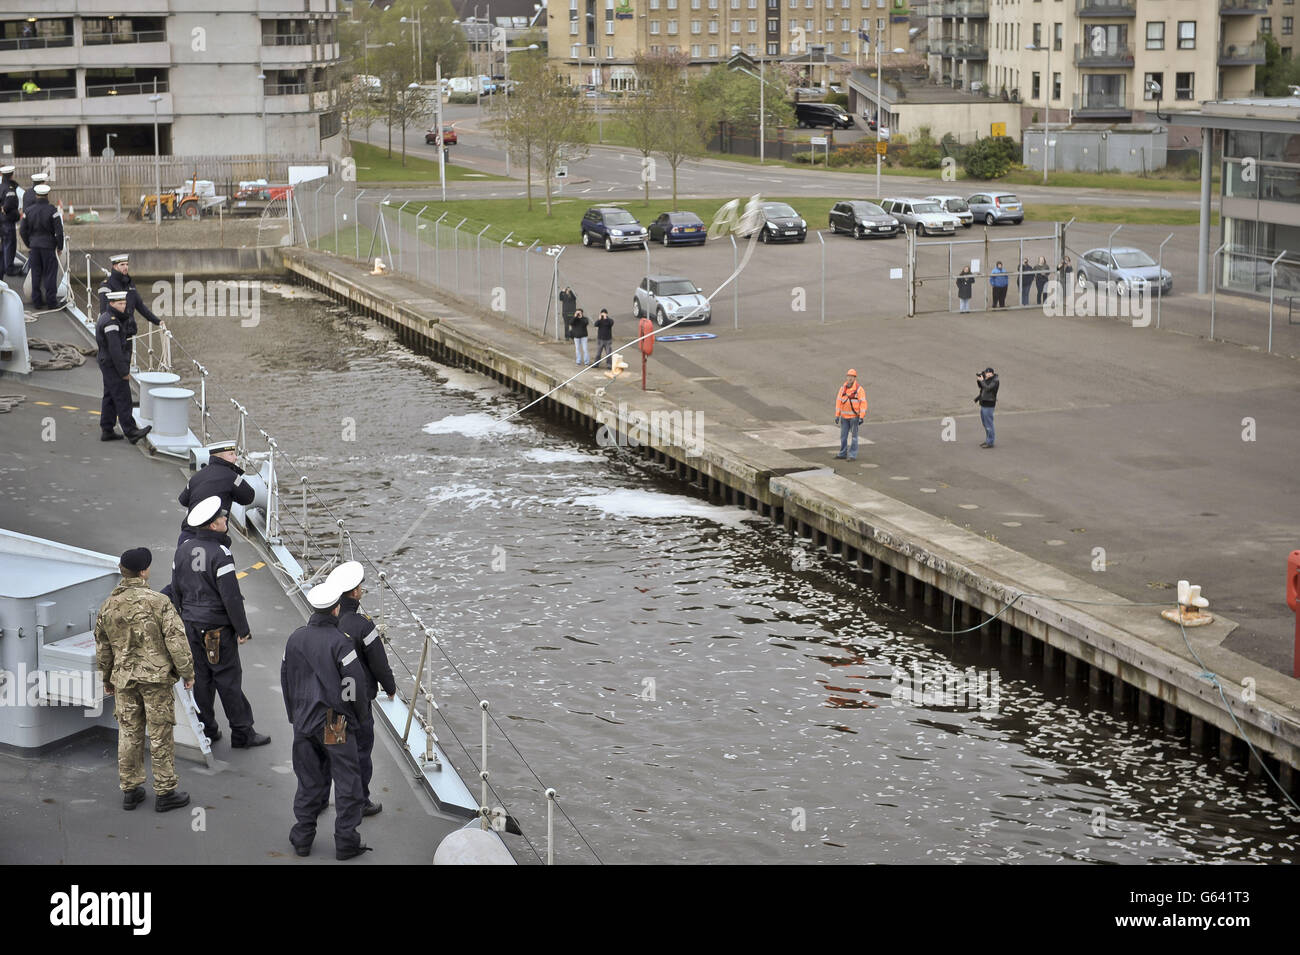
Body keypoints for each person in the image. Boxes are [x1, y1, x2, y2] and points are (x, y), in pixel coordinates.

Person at [95, 547, 196, 813]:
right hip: (156, 680)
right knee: (160, 734)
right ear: (143, 571)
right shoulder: (159, 602)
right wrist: (187, 673)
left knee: (129, 733)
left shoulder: (108, 606)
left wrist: (107, 678)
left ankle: (130, 789)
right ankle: (165, 792)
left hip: (124, 680)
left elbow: (103, 649)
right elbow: (176, 642)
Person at [282, 579, 372, 860]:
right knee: (347, 783)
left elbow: (286, 679)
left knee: (308, 780)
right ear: (335, 609)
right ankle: (346, 842)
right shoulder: (341, 644)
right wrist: (359, 718)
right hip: (334, 723)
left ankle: (302, 837)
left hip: (303, 721)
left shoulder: (295, 638)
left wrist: (293, 714)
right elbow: (354, 686)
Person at [171, 495, 270, 749]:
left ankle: (208, 728)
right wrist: (242, 629)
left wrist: (184, 617)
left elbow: (176, 588)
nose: (226, 519)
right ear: (213, 525)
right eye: (222, 517)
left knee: (201, 678)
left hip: (191, 623)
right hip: (216, 629)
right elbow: (231, 597)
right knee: (228, 679)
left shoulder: (182, 550)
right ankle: (242, 732)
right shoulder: (221, 554)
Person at [326, 560, 395, 818]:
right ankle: (360, 801)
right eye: (360, 587)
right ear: (355, 593)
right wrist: (389, 687)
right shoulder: (363, 625)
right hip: (358, 700)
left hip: (331, 701)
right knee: (361, 751)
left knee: (333, 746)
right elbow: (378, 661)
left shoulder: (325, 622)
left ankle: (324, 797)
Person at [96, 291, 152, 444]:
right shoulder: (111, 323)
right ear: (112, 304)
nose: (123, 306)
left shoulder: (108, 317)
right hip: (113, 365)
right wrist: (124, 372)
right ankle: (131, 431)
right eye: (120, 304)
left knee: (109, 396)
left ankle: (107, 430)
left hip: (106, 362)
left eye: (124, 303)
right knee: (123, 397)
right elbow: (115, 350)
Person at [176, 439, 256, 544]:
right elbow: (249, 496)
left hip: (188, 534)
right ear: (219, 457)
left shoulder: (197, 476)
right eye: (231, 454)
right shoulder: (231, 476)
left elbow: (183, 500)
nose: (236, 457)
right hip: (212, 536)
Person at [98, 253, 164, 341]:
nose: (125, 267)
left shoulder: (130, 284)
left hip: (129, 332)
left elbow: (141, 306)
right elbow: (104, 311)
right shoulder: (106, 285)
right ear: (114, 266)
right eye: (122, 265)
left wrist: (158, 321)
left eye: (127, 264)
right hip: (114, 332)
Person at [18, 182, 62, 310]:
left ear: (36, 195)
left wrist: (29, 244)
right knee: (50, 274)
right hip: (48, 247)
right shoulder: (53, 211)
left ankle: (37, 302)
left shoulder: (28, 211)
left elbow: (22, 231)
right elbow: (58, 231)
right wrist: (60, 246)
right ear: (47, 195)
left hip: (34, 247)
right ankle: (51, 302)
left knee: (36, 273)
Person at [833, 368, 868, 462]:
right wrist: (837, 415)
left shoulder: (859, 390)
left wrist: (861, 417)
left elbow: (863, 403)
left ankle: (852, 455)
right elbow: (838, 402)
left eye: (852, 377)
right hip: (844, 417)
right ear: (846, 377)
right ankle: (842, 454)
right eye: (849, 376)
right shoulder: (842, 389)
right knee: (843, 436)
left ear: (855, 378)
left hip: (854, 418)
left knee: (854, 437)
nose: (850, 378)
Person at [974, 366, 999, 449]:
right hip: (984, 404)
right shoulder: (987, 380)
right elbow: (981, 387)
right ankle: (988, 440)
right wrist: (979, 380)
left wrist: (982, 381)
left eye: (987, 373)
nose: (985, 374)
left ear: (991, 373)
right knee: (985, 423)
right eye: (985, 373)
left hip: (989, 405)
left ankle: (990, 442)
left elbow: (987, 388)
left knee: (989, 424)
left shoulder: (995, 381)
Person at [0, 165, 18, 277]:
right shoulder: (9, 188)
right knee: (9, 245)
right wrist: (5, 209)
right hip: (7, 222)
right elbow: (10, 203)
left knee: (3, 247)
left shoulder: (1, 186)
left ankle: (2, 268)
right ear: (11, 175)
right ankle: (9, 268)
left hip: (2, 222)